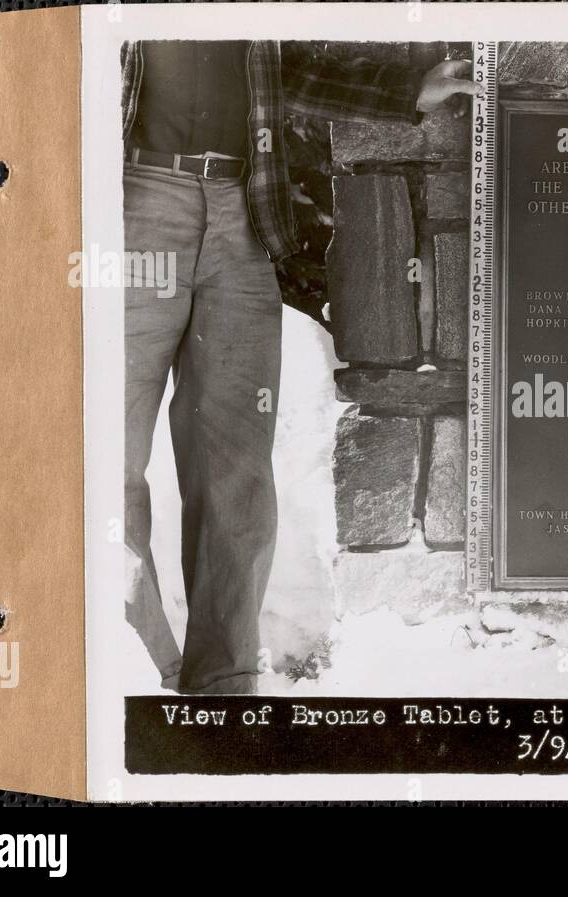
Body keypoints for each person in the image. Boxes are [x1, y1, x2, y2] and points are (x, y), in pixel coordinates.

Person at [120, 41, 476, 694]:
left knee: (236, 474)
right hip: (131, 203)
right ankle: (142, 670)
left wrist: (405, 93)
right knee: (103, 465)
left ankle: (222, 688)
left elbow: (294, 74)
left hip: (243, 214)